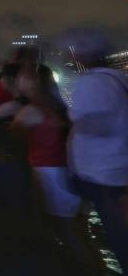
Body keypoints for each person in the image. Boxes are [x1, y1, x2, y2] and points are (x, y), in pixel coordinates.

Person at [10, 64, 96, 273]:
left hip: (48, 174)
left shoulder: (32, 110)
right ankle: (96, 268)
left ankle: (86, 270)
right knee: (79, 231)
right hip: (69, 170)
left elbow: (9, 139)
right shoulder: (62, 105)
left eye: (24, 78)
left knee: (65, 232)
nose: (19, 82)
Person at [65, 29, 128, 270]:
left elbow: (92, 124)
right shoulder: (118, 78)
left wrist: (74, 122)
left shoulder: (91, 82)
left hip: (105, 174)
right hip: (118, 168)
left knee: (120, 238)